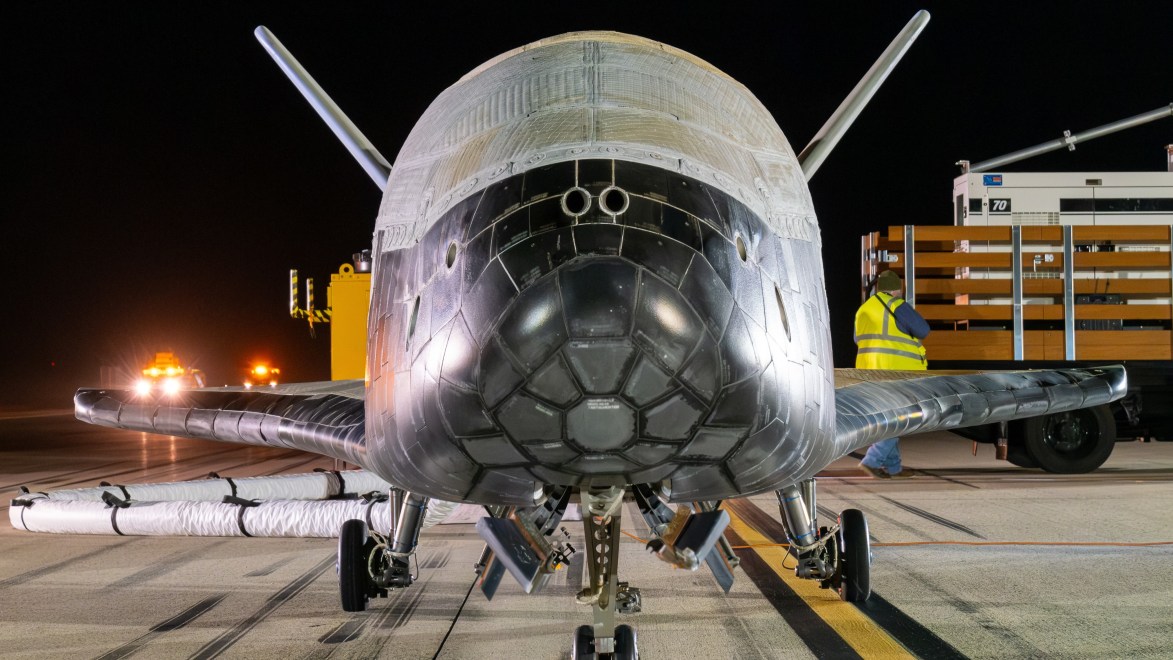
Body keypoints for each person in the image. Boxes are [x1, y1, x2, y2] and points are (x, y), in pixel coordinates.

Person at [854, 270, 930, 478]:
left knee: (888, 418)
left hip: (867, 371)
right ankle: (872, 460)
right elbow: (923, 330)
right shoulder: (897, 306)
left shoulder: (864, 309)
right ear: (897, 289)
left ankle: (893, 467)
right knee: (900, 418)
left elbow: (857, 338)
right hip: (894, 372)